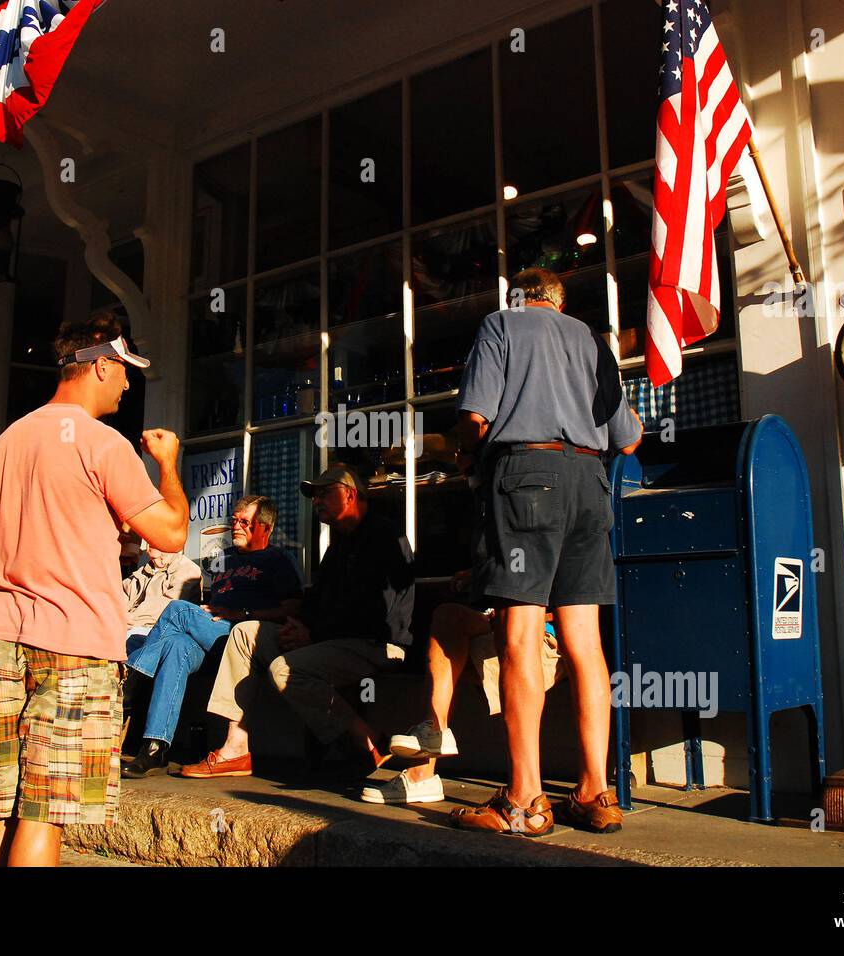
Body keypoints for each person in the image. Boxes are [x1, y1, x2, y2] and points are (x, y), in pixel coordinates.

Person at [0, 314, 188, 867]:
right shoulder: (103, 443)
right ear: (99, 365)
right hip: (75, 641)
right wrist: (168, 464)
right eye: (123, 372)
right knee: (49, 808)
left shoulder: (5, 442)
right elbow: (171, 533)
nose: (127, 384)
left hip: (1, 635)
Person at [449, 267, 642, 838]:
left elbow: (475, 418)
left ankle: (525, 800)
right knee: (586, 644)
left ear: (521, 297)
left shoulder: (500, 324)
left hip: (526, 476)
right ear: (557, 302)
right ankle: (595, 791)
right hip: (590, 483)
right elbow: (627, 436)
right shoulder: (590, 341)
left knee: (518, 637)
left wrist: (466, 454)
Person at [180, 464, 414, 779]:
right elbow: (315, 602)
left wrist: (312, 633)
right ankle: (235, 748)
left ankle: (369, 741)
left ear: (350, 495)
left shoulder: (385, 536)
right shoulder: (338, 546)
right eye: (313, 495)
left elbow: (377, 613)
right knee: (244, 633)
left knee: (286, 670)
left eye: (324, 493)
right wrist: (300, 626)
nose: (316, 501)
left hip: (377, 644)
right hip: (329, 640)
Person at [121, 495, 303, 777]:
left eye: (245, 522)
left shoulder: (278, 559)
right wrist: (210, 611)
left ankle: (129, 688)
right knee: (175, 645)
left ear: (265, 528)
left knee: (178, 610)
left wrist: (239, 614)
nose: (237, 527)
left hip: (243, 638)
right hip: (213, 634)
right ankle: (155, 748)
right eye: (234, 521)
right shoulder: (224, 558)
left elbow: (291, 609)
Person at [361, 569, 565, 805]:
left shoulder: (556, 542)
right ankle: (432, 739)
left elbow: (572, 610)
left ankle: (524, 799)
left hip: (541, 639)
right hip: (502, 628)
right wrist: (482, 575)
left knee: (448, 647)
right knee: (448, 621)